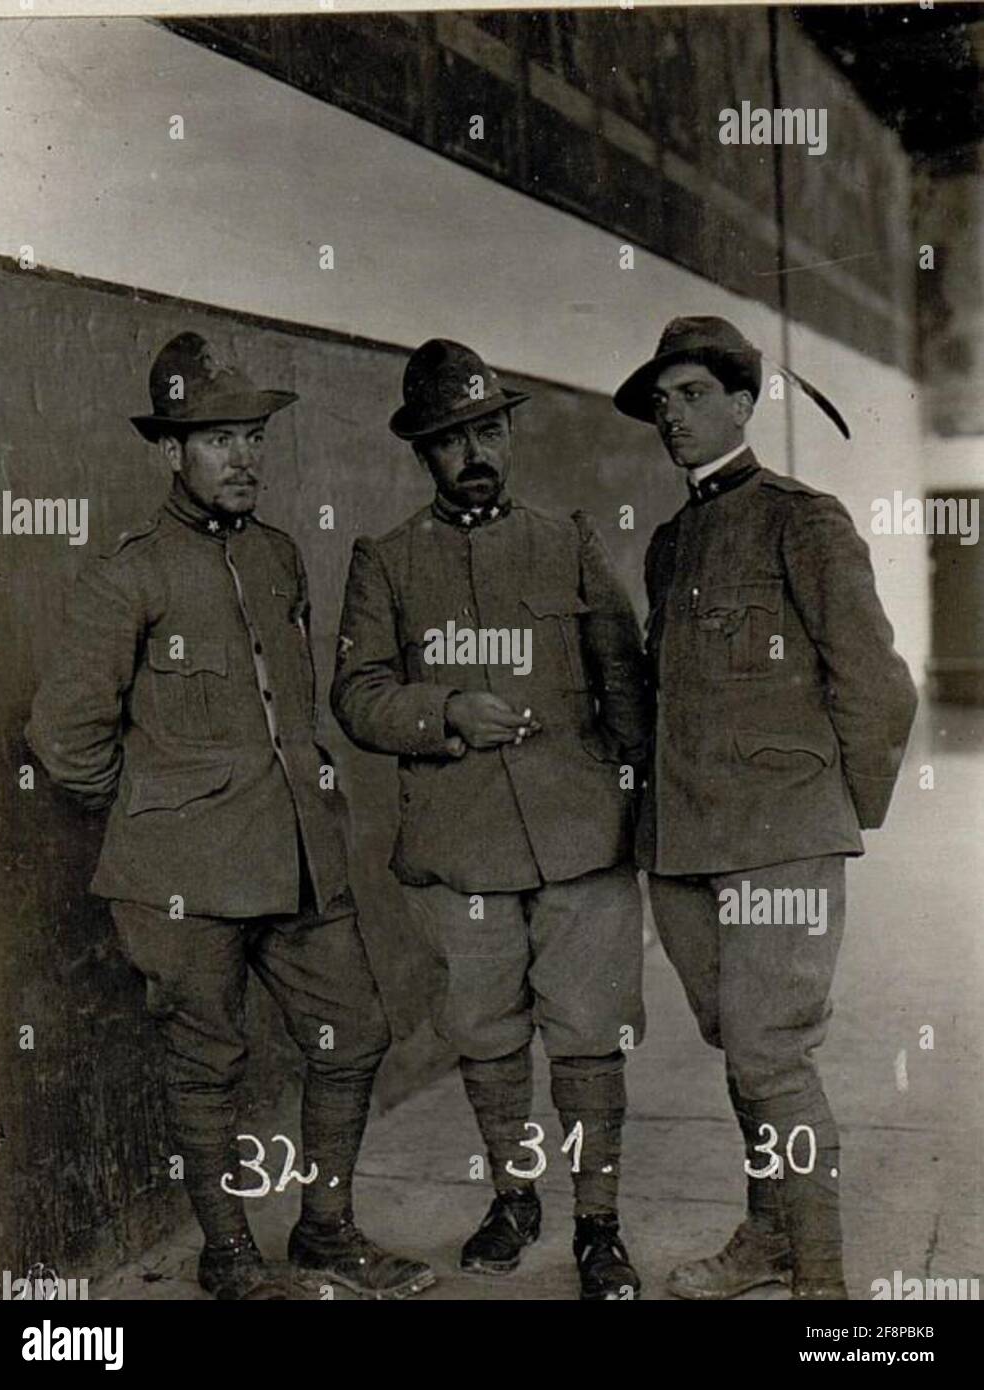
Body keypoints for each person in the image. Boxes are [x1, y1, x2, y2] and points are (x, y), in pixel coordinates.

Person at [28, 332, 434, 1301]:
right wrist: (156, 813)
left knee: (356, 1031)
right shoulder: (129, 573)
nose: (242, 455)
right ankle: (230, 1256)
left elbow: (285, 712)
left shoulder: (280, 556)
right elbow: (63, 737)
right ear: (172, 451)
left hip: (299, 860)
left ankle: (326, 1232)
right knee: (205, 1060)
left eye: (251, 435)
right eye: (217, 439)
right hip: (181, 877)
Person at [331, 338, 650, 1300]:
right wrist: (443, 714)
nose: (475, 452)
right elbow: (356, 694)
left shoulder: (570, 541)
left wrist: (634, 808)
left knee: (589, 1036)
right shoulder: (385, 561)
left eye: (489, 430)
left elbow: (624, 686)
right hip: (459, 848)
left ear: (511, 433)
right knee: (485, 1031)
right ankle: (515, 1197)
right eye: (450, 440)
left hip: (580, 836)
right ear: (421, 455)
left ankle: (600, 1226)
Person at [613, 316, 918, 1301]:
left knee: (769, 1053)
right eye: (662, 402)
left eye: (693, 393)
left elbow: (878, 685)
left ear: (744, 403)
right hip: (685, 846)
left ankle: (820, 1285)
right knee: (739, 1052)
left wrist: (832, 812)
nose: (674, 415)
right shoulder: (670, 543)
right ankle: (767, 1237)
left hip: (779, 840)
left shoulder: (803, 517)